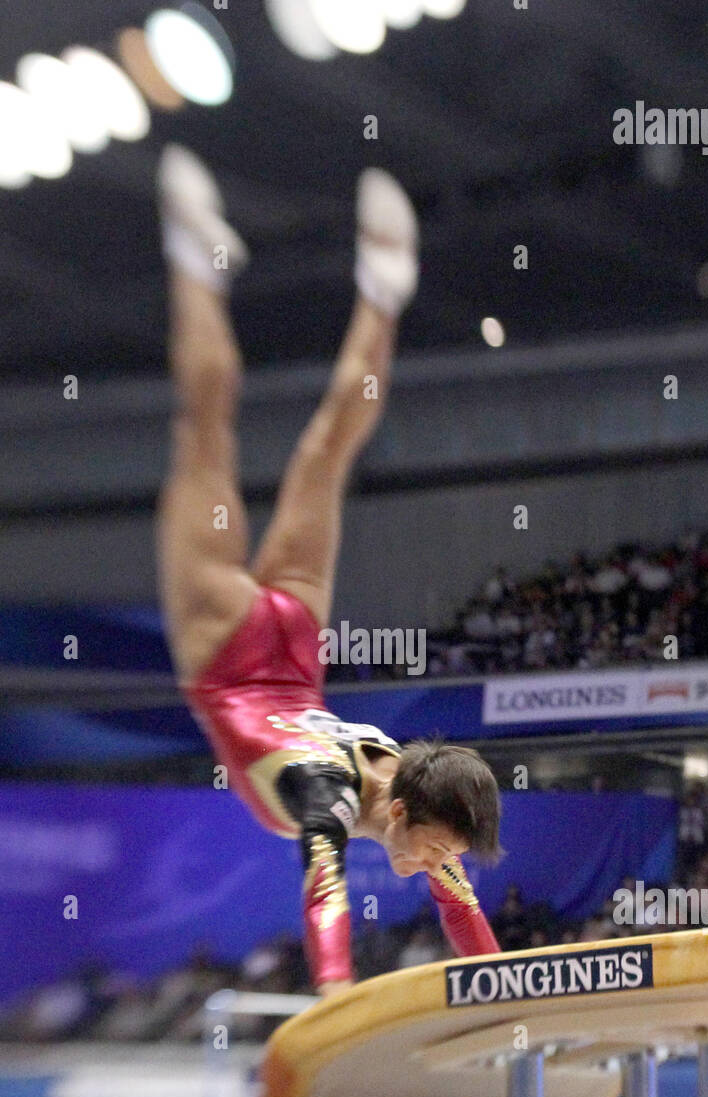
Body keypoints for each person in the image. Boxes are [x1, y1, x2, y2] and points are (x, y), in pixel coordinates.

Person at [155, 147, 502, 997]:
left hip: (291, 636)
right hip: (228, 650)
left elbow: (463, 916)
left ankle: (382, 287)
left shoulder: (407, 775)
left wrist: (510, 998)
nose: (430, 871)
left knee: (325, 449)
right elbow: (326, 895)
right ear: (407, 812)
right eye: (435, 852)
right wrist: (336, 998)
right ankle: (195, 261)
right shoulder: (337, 798)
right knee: (209, 429)